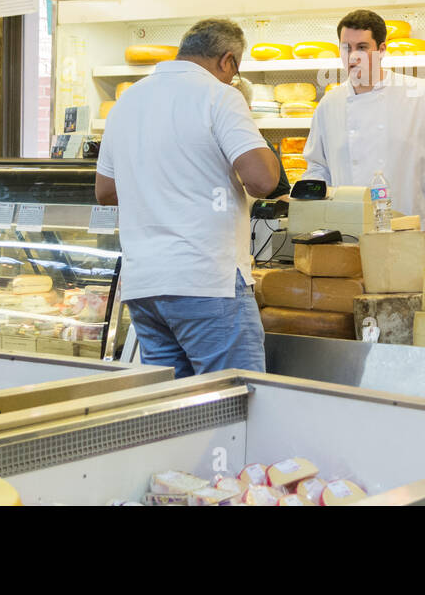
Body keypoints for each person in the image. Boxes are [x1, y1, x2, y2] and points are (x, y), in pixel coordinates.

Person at [95, 19, 284, 377]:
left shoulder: (127, 101)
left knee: (175, 415)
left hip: (145, 287)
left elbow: (105, 191)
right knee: (236, 407)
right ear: (228, 61)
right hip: (206, 281)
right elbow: (262, 181)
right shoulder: (220, 96)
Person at [302, 9, 425, 263]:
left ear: (382, 50)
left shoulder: (420, 95)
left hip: (415, 242)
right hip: (350, 245)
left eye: (362, 47)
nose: (353, 56)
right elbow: (317, 170)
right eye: (346, 48)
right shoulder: (329, 105)